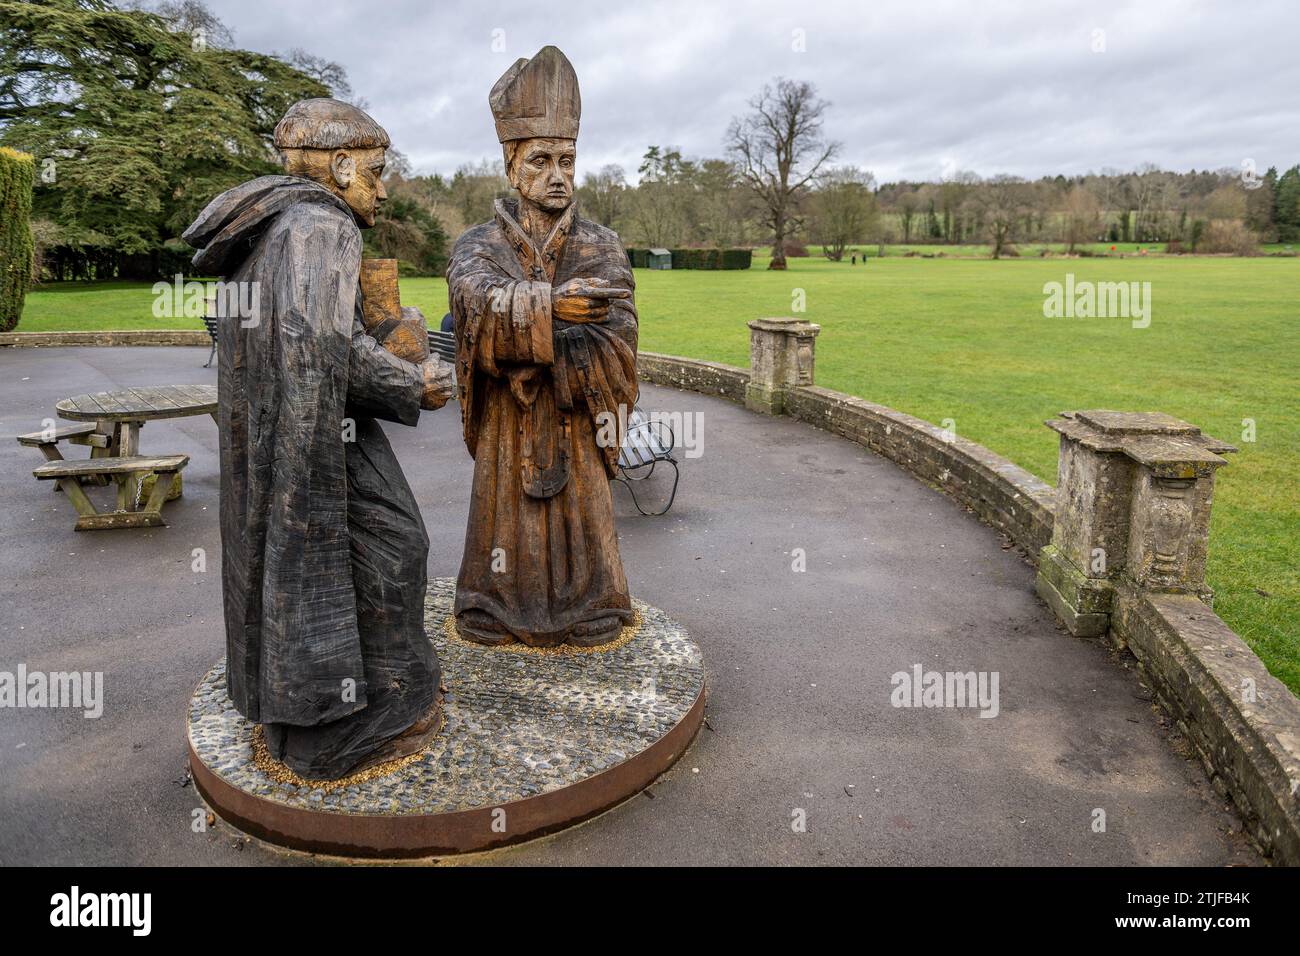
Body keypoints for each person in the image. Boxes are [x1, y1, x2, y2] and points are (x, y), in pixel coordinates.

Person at [183, 99, 455, 779]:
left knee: (349, 555)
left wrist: (384, 333)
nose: (384, 187)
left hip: (283, 431)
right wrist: (412, 382)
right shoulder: (320, 225)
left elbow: (236, 326)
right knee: (396, 543)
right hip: (315, 440)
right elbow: (322, 347)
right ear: (340, 166)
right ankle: (359, 717)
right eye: (377, 171)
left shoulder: (268, 226)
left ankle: (313, 717)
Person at [447, 47, 637, 648]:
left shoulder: (601, 245)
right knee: (503, 525)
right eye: (541, 160)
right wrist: (553, 311)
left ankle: (591, 602)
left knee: (584, 518)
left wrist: (537, 350)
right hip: (509, 425)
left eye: (567, 159)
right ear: (511, 167)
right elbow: (472, 305)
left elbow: (620, 338)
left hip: (575, 418)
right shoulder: (479, 243)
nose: (557, 174)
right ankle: (494, 601)